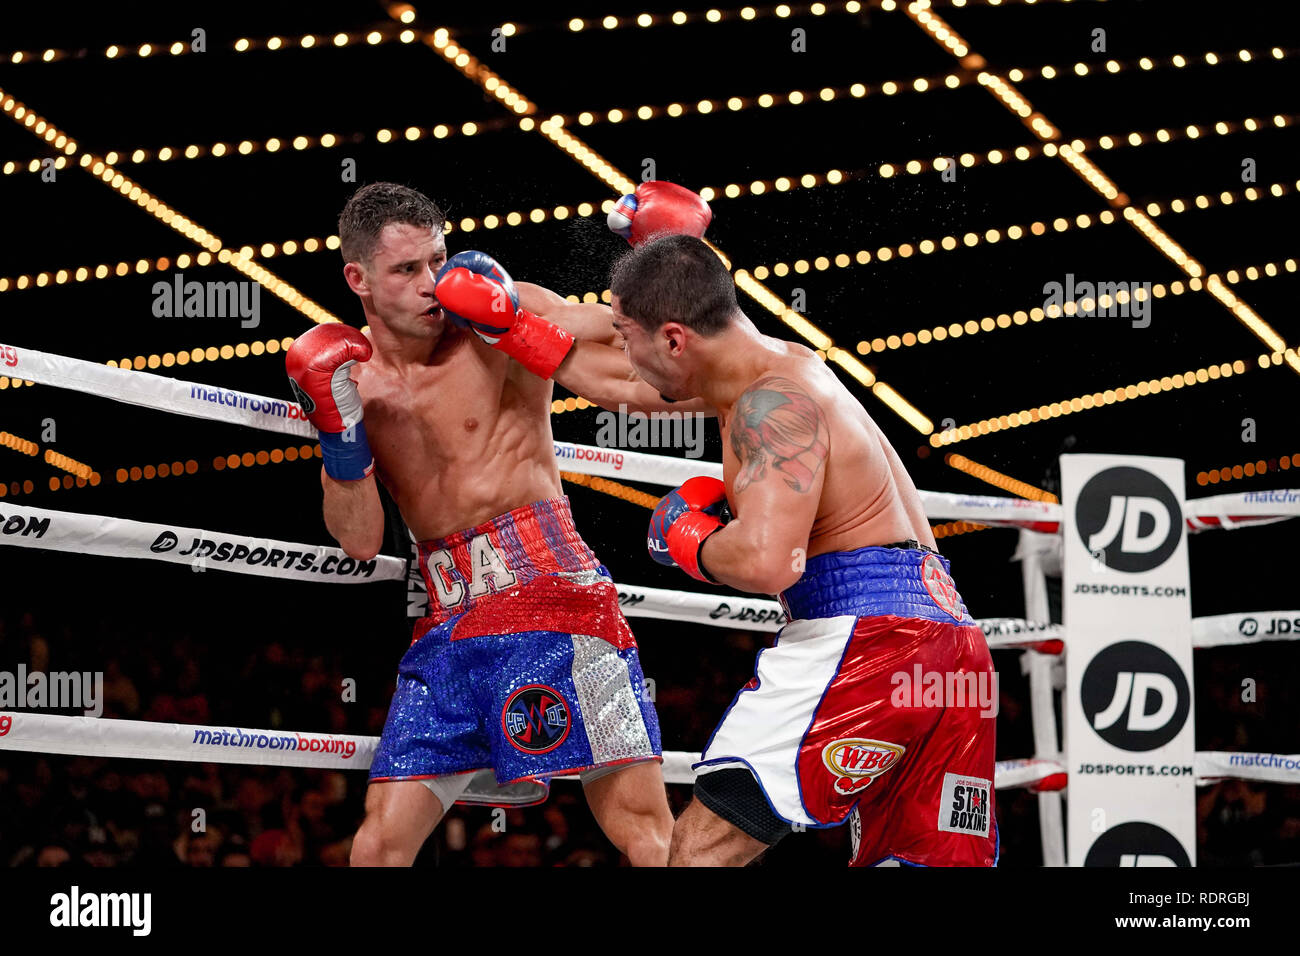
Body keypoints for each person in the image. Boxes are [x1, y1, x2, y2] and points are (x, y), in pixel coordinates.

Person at [285, 182, 707, 866]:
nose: (432, 284)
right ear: (356, 279)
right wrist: (340, 438)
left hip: (553, 599)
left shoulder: (500, 313)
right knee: (379, 844)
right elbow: (359, 538)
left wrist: (669, 255)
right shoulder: (349, 382)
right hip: (448, 624)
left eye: (437, 261)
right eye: (406, 270)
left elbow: (654, 355)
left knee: (642, 830)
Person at [584, 233, 999, 867]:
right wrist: (521, 332)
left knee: (700, 853)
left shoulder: (768, 406)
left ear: (673, 338)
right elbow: (617, 379)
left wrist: (687, 538)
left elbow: (768, 562)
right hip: (951, 647)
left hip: (868, 641)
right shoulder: (792, 365)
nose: (625, 352)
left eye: (626, 333)